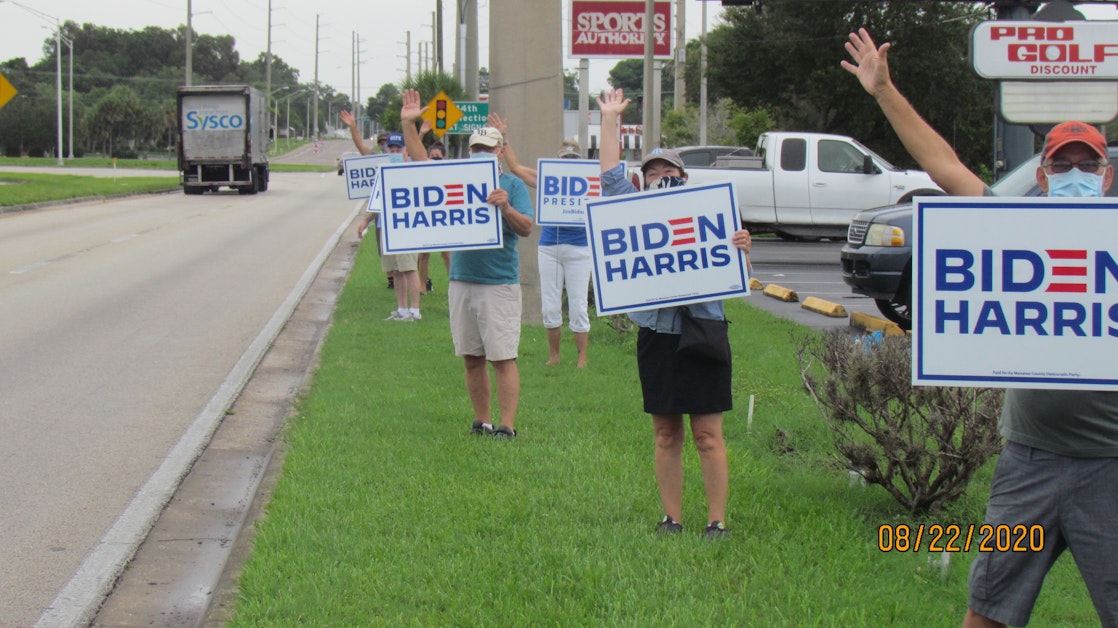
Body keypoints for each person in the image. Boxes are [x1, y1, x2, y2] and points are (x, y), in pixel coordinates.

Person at [843, 28, 1117, 628]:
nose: (1074, 170)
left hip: (1110, 470)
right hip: (1028, 466)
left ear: (1105, 176)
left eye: (1087, 163)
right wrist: (884, 91)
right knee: (987, 614)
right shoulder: (1009, 229)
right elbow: (944, 167)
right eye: (1061, 162)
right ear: (1042, 176)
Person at [597, 88, 753, 539]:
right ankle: (672, 518)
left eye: (668, 170)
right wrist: (610, 118)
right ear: (642, 181)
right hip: (657, 335)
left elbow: (738, 274)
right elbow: (608, 175)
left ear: (683, 178)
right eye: (652, 172)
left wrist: (744, 248)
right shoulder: (632, 208)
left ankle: (716, 520)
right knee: (666, 432)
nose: (660, 176)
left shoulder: (711, 212)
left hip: (703, 331)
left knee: (707, 433)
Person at [399, 88, 535, 438]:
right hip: (461, 278)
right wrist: (408, 124)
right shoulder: (455, 177)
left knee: (502, 356)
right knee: (471, 357)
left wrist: (505, 207)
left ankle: (507, 425)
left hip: (499, 281)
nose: (481, 153)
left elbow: (526, 228)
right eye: (476, 148)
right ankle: (482, 420)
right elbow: (419, 164)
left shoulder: (511, 185)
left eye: (488, 148)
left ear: (500, 152)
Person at [488, 113, 592, 368]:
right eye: (565, 158)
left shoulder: (591, 179)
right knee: (550, 303)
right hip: (549, 246)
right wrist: (504, 137)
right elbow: (518, 169)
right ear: (558, 160)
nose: (568, 163)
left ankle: (582, 358)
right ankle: (554, 356)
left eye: (572, 159)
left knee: (578, 304)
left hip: (580, 247)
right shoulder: (549, 177)